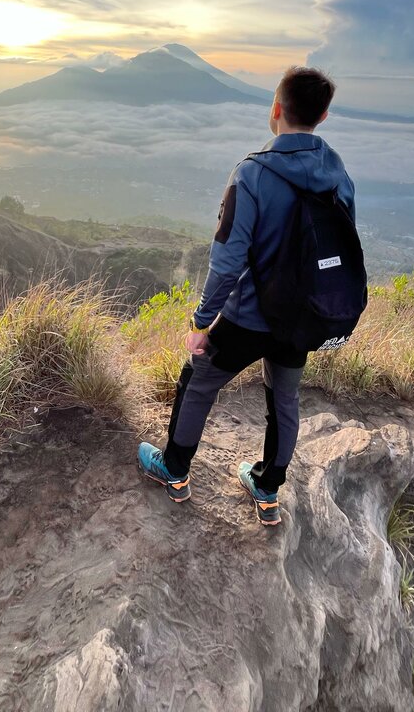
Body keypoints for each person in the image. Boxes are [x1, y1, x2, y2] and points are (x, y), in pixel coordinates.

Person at [138, 66, 356, 525]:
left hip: (250, 317)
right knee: (285, 399)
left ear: (276, 109)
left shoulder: (253, 174)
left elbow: (226, 262)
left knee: (198, 379)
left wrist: (201, 323)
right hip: (303, 318)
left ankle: (174, 469)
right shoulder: (339, 174)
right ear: (324, 116)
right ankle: (267, 488)